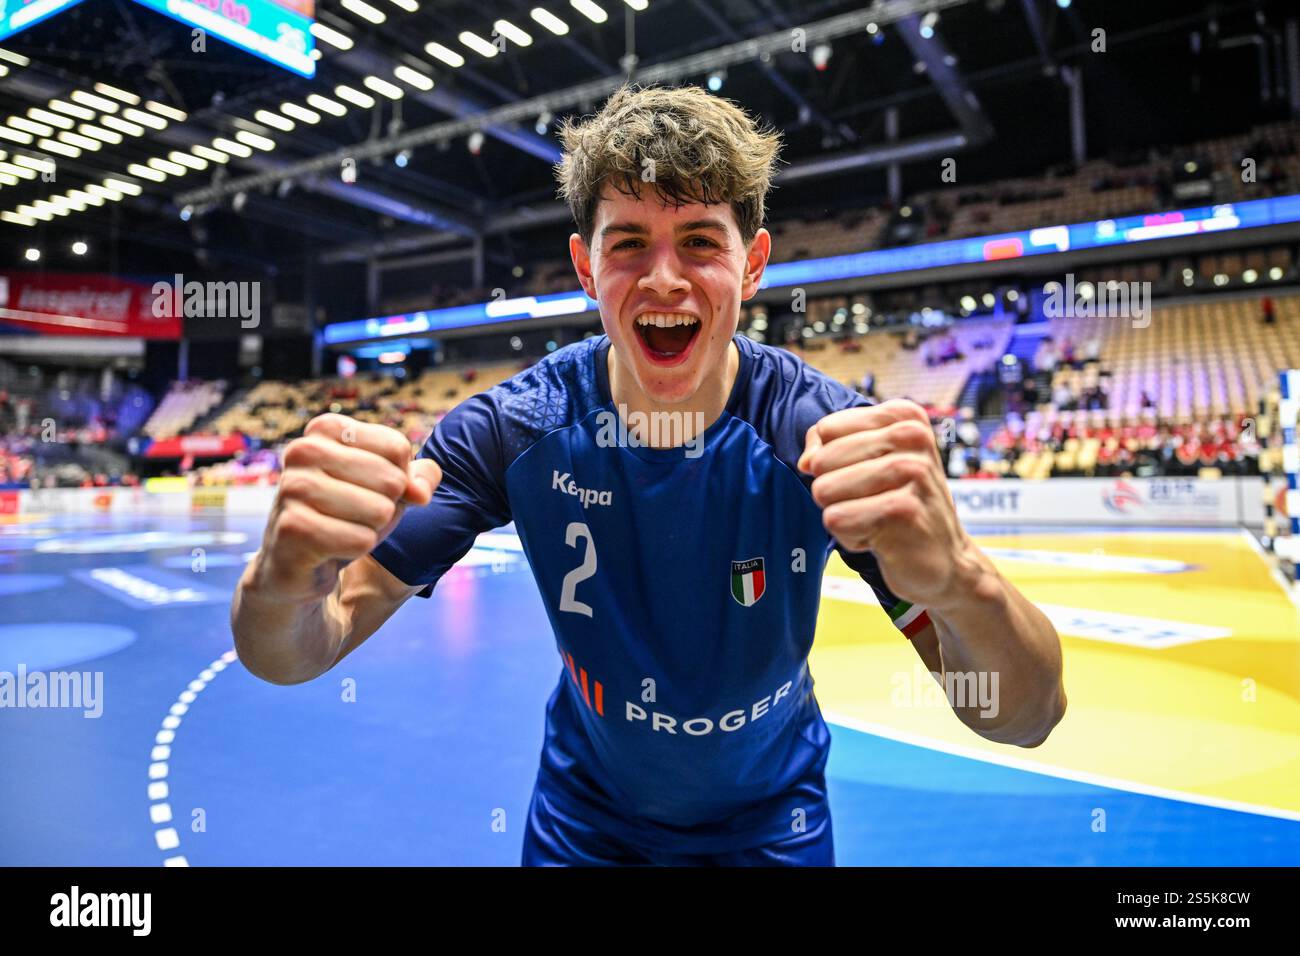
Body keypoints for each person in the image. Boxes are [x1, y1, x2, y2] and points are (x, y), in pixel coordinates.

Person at [230, 84, 1066, 867]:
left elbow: (1026, 718)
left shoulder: (822, 437)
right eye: (629, 243)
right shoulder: (512, 431)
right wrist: (281, 583)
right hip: (583, 821)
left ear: (753, 264)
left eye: (701, 241)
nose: (664, 279)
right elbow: (298, 653)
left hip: (775, 823)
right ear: (586, 267)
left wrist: (961, 582)